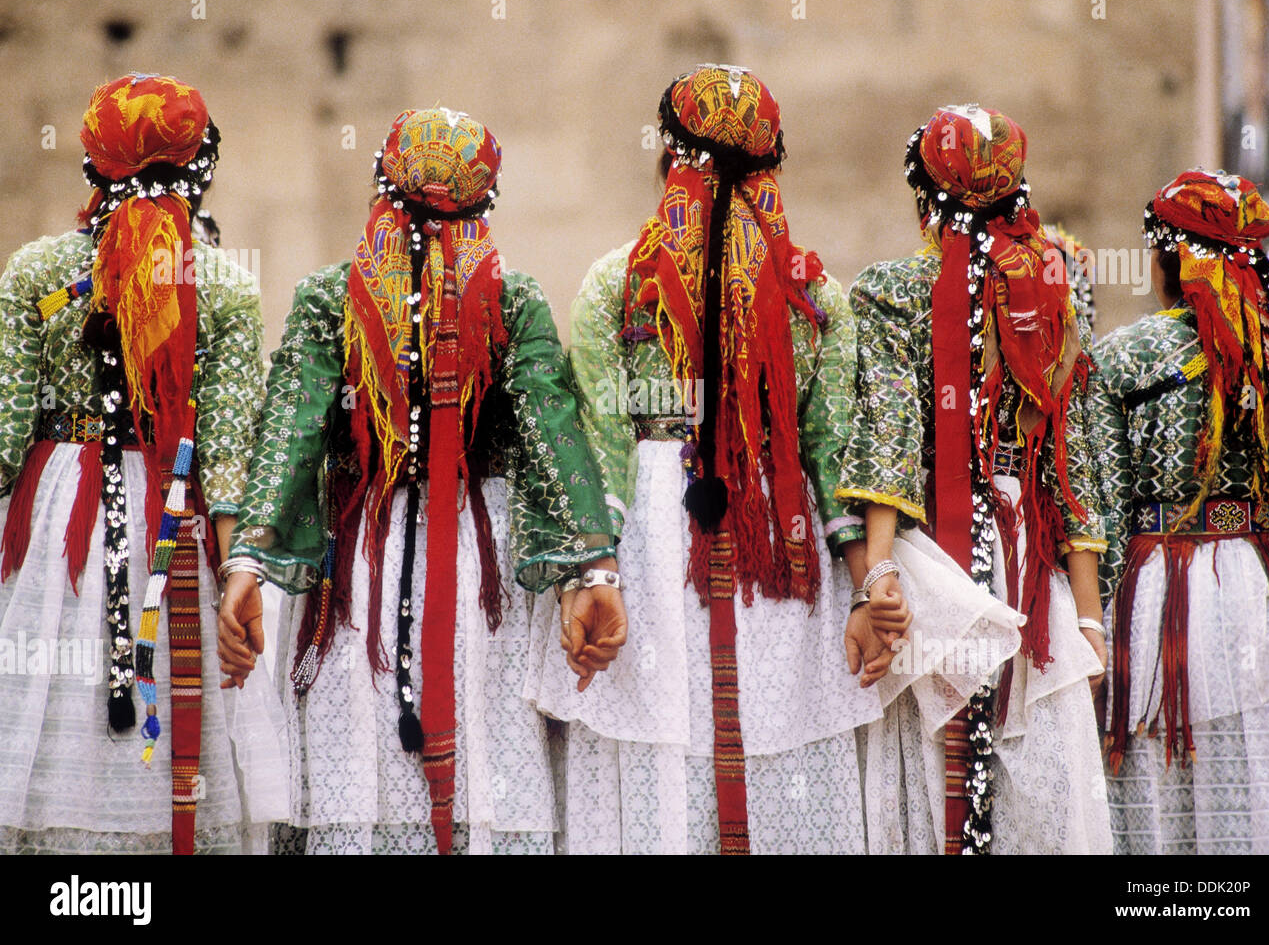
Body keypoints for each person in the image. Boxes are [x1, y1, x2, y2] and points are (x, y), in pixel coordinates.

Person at [218, 106, 626, 855]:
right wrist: (593, 570)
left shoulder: (328, 297)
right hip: (482, 573)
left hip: (359, 571)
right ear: (485, 205)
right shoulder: (513, 300)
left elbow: (292, 431)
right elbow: (553, 435)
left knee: (357, 772)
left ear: (381, 188)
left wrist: (249, 560)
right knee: (483, 765)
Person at [526, 64, 896, 854]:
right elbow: (832, 458)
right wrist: (866, 584)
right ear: (773, 168)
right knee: (771, 760)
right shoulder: (817, 296)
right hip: (778, 544)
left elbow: (603, 443)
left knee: (665, 760)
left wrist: (593, 577)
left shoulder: (614, 284)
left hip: (656, 542)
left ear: (671, 159)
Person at [0, 73, 287, 854]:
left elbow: (3, 441)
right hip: (177, 521)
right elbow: (228, 452)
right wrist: (239, 577)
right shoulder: (219, 281)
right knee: (182, 734)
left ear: (93, 168)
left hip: (61, 518)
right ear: (202, 168)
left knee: (46, 709)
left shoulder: (35, 276)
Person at [836, 105, 1112, 854]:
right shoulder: (1050, 289)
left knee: (938, 768)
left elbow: (887, 436)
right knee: (1040, 778)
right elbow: (1070, 458)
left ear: (923, 191)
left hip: (936, 556)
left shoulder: (891, 290)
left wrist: (881, 572)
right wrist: (1088, 619)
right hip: (1029, 564)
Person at [1094, 168, 1269, 854]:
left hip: (1154, 587)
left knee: (1152, 767)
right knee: (1241, 760)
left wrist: (1090, 617)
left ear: (1168, 258)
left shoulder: (1122, 356)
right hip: (1252, 587)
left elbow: (1107, 506)